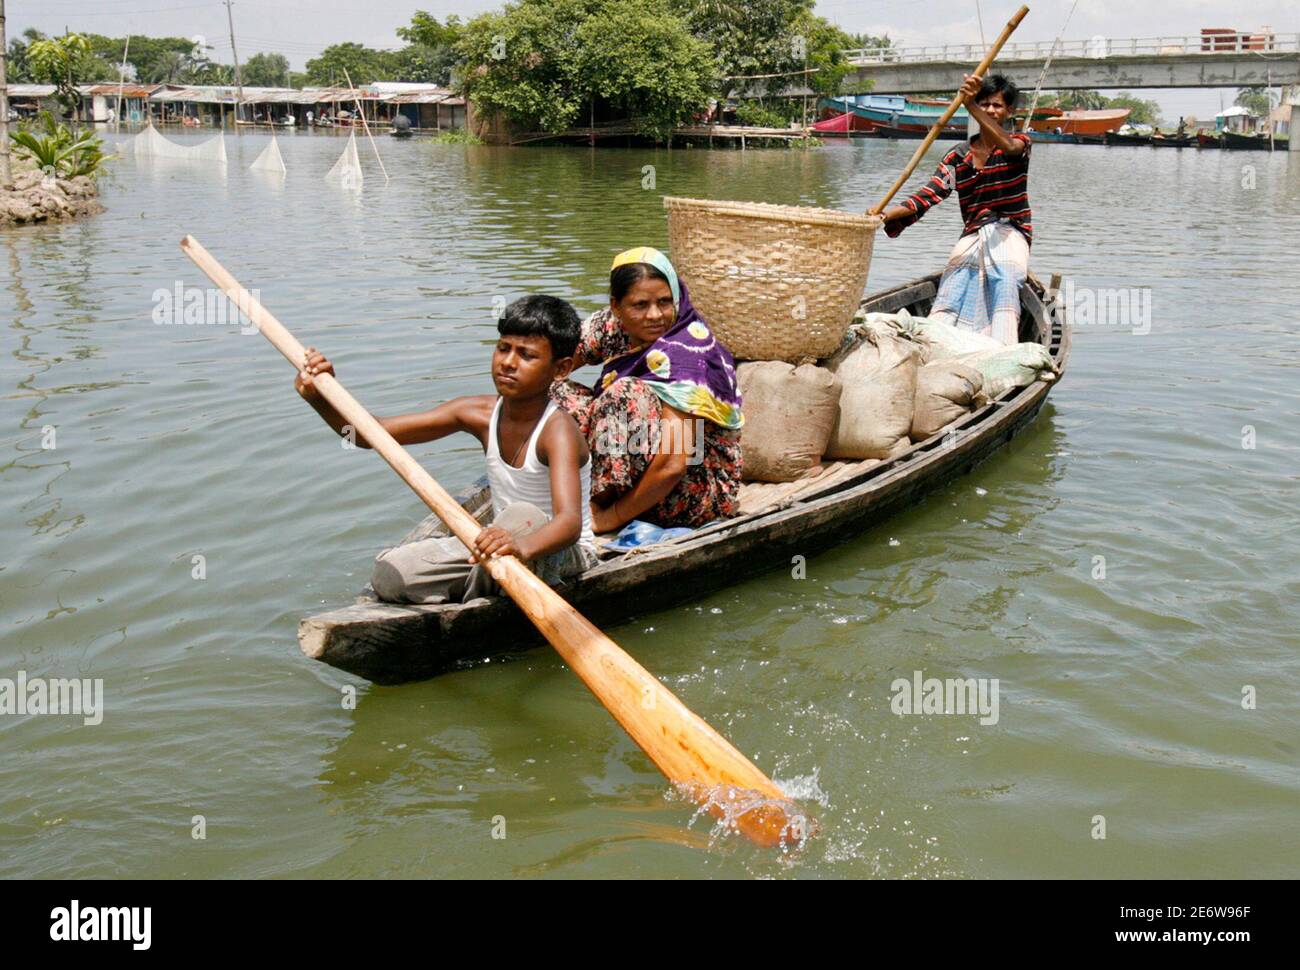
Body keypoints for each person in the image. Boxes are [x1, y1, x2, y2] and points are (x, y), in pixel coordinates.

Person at [294, 295, 599, 604]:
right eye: (503, 348)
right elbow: (369, 435)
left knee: (522, 516)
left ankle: (475, 598)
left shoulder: (558, 430)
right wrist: (320, 396)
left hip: (562, 551)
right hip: (502, 541)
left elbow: (569, 524)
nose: (508, 362)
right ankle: (483, 586)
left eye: (526, 355)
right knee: (390, 573)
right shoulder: (476, 413)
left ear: (560, 369)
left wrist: (520, 547)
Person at [550, 247, 743, 534]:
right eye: (640, 305)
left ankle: (598, 506)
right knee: (550, 391)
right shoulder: (611, 325)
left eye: (664, 302)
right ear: (617, 306)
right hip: (634, 460)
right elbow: (553, 366)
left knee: (625, 393)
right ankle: (579, 494)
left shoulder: (688, 355)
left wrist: (609, 518)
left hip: (691, 486)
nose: (654, 315)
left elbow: (674, 463)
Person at [880, 73, 1032, 344]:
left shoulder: (1018, 145)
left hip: (1011, 230)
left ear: (1010, 111)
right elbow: (929, 195)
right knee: (953, 284)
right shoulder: (959, 157)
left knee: (1005, 279)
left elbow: (1008, 146)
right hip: (974, 234)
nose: (990, 110)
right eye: (984, 104)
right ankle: (938, 343)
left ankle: (1001, 347)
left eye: (997, 105)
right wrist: (885, 214)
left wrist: (970, 103)